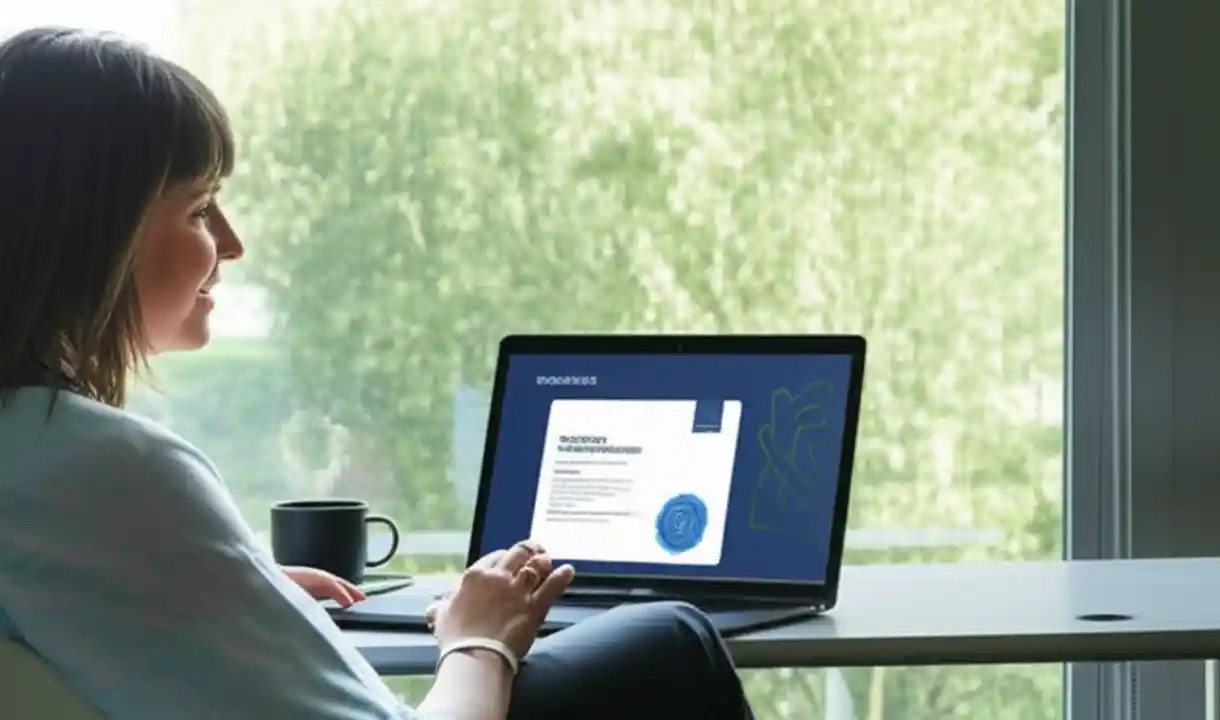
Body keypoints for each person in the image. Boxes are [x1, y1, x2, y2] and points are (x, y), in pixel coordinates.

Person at [0, 26, 754, 720]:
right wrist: (477, 638)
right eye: (200, 209)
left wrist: (230, 594)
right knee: (671, 640)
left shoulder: (41, 466)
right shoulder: (108, 469)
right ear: (90, 234)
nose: (231, 245)